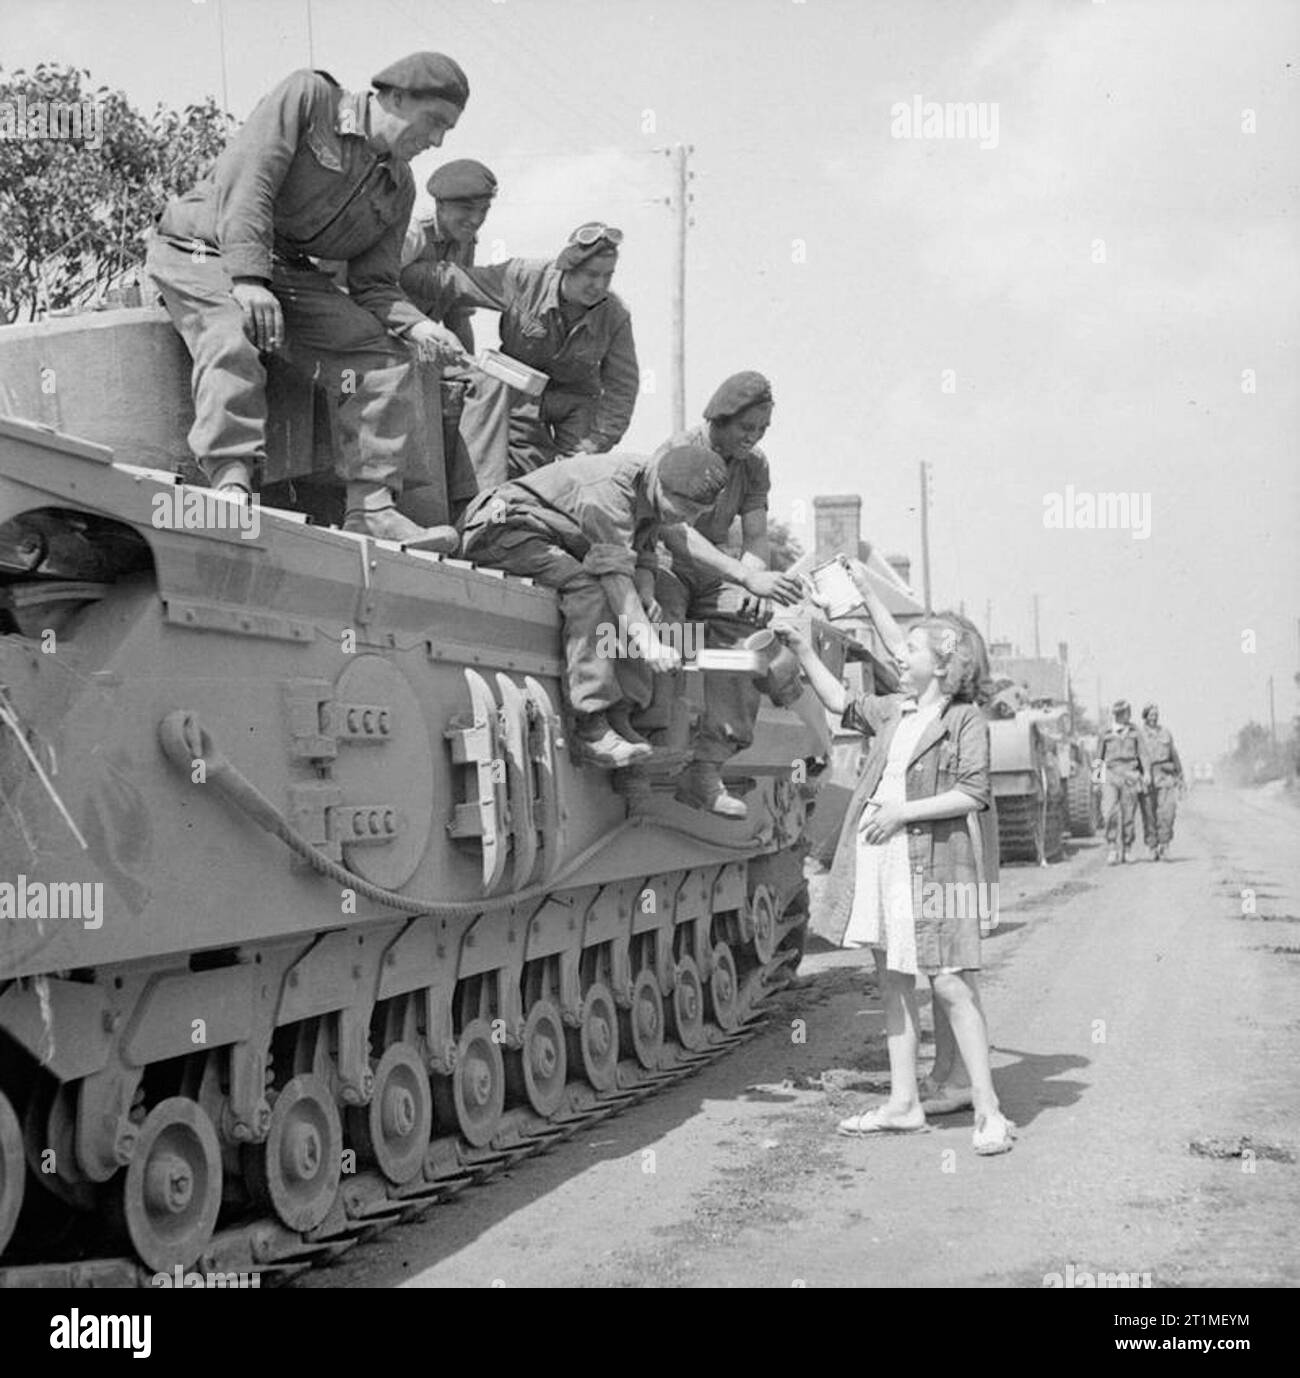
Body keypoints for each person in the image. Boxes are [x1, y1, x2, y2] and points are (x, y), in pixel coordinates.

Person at [146, 54, 471, 551]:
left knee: (380, 357)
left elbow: (376, 285)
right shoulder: (310, 99)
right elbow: (249, 179)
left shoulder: (398, 185)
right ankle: (231, 483)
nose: (437, 141)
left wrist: (421, 327)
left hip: (281, 270)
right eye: (435, 122)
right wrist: (249, 279)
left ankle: (372, 509)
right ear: (397, 97)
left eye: (447, 130)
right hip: (202, 248)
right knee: (234, 330)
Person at [784, 571, 1014, 1156]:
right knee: (894, 981)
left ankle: (987, 1109)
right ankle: (904, 1103)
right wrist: (805, 649)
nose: (898, 652)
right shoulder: (895, 708)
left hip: (934, 859)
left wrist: (903, 812)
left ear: (941, 665)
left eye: (912, 649)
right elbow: (839, 700)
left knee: (951, 982)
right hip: (884, 858)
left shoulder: (962, 719)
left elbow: (973, 792)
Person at [457, 445, 728, 768]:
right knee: (592, 590)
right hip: (503, 529)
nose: (689, 518)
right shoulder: (611, 490)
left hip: (554, 538)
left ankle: (620, 716)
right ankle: (591, 726)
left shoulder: (653, 487)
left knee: (639, 609)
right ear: (660, 484)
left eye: (699, 511)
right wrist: (650, 644)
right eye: (685, 507)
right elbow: (613, 574)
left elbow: (641, 551)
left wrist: (646, 591)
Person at [653, 372, 804, 817]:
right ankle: (654, 745)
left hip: (712, 570)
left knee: (751, 630)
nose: (753, 438)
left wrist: (750, 581)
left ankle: (706, 766)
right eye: (746, 428)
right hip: (663, 561)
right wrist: (742, 573)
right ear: (719, 418)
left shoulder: (753, 465)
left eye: (761, 430)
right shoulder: (682, 450)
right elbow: (674, 529)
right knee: (668, 632)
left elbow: (756, 537)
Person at [405, 222, 639, 490]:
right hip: (521, 395)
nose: (599, 285)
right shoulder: (524, 278)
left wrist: (596, 442)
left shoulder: (615, 315)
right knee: (519, 479)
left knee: (574, 482)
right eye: (591, 274)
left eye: (607, 276)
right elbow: (456, 281)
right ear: (567, 268)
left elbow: (623, 388)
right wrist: (393, 275)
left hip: (575, 404)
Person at [399, 158, 498, 519]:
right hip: (391, 335)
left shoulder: (464, 241)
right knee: (421, 375)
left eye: (483, 211)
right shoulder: (412, 233)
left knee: (488, 383)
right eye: (466, 210)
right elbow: (370, 288)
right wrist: (418, 331)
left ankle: (475, 503)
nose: (475, 219)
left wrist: (468, 362)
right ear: (441, 205)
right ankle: (425, 510)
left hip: (432, 345)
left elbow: (457, 311)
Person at [1098, 699, 1150, 864]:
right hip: (1111, 775)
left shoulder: (1135, 732)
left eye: (1128, 712)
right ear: (1119, 714)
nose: (1128, 715)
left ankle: (1127, 848)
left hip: (1130, 774)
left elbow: (1143, 753)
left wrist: (1146, 772)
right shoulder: (1106, 733)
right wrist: (1096, 781)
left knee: (1128, 814)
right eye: (1126, 713)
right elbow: (1098, 758)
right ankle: (1113, 848)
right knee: (1109, 812)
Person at [1139, 703, 1184, 860]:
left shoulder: (1165, 733)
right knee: (1149, 814)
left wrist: (1180, 777)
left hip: (1164, 775)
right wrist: (1098, 782)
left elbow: (1174, 754)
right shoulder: (1138, 734)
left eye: (1156, 714)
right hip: (1145, 776)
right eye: (1151, 714)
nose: (1154, 717)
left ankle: (1164, 845)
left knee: (1168, 812)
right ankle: (1150, 846)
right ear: (1145, 716)